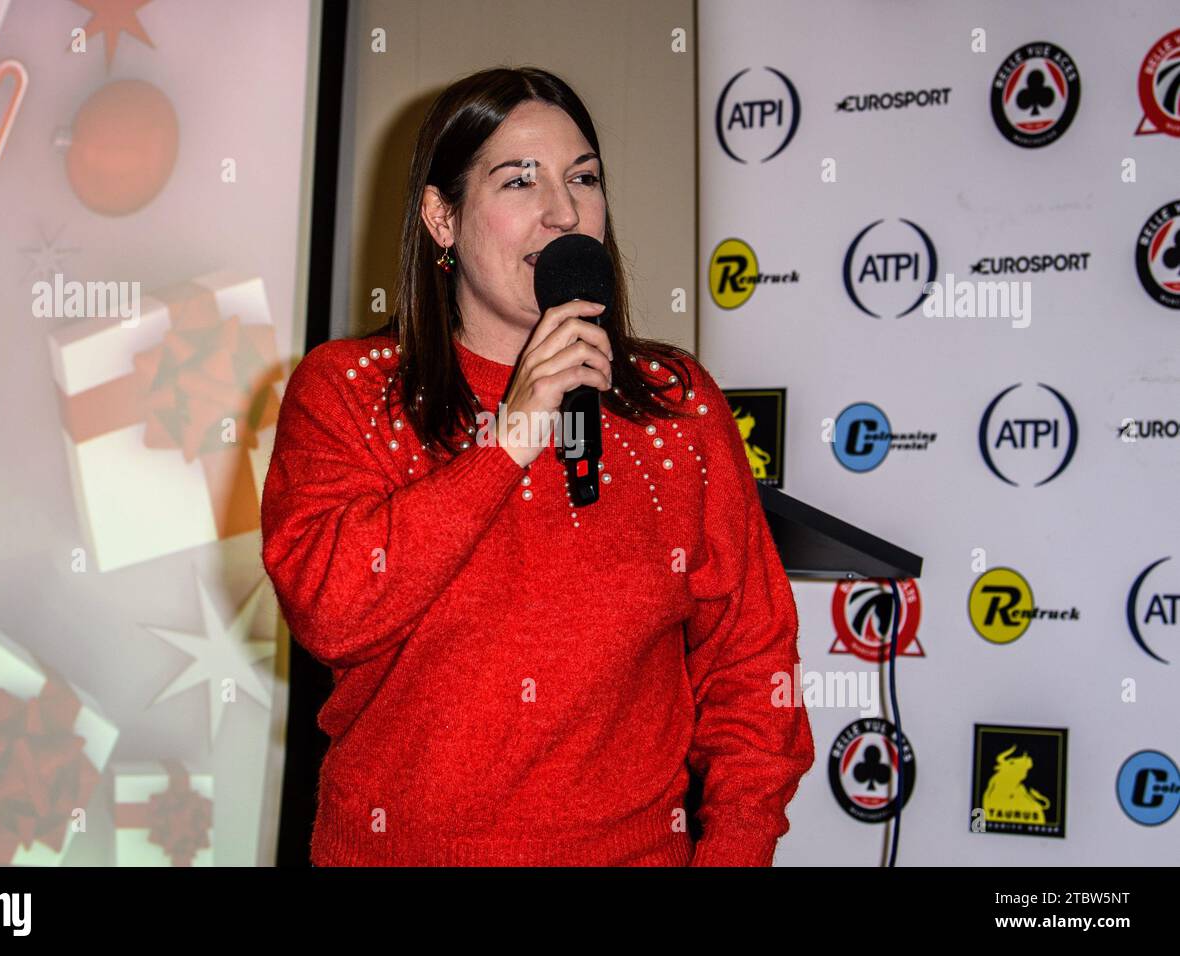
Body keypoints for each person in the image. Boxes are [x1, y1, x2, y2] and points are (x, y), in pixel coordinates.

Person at [261, 66, 814, 867]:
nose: (564, 212)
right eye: (520, 180)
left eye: (583, 179)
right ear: (441, 217)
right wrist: (511, 436)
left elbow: (752, 662)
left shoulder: (674, 405)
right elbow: (332, 611)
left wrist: (735, 852)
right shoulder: (348, 391)